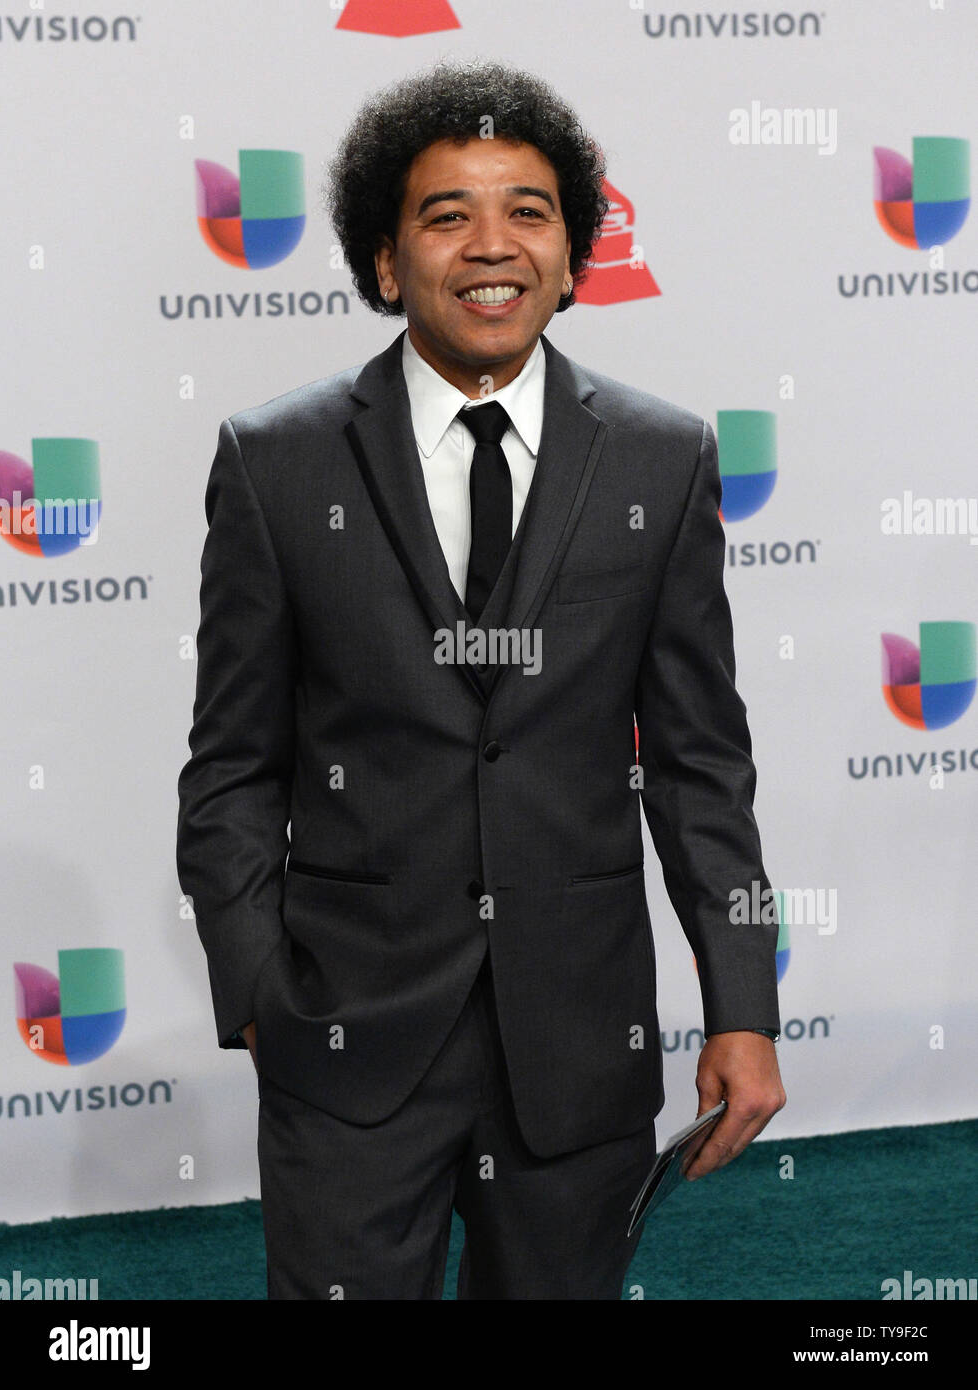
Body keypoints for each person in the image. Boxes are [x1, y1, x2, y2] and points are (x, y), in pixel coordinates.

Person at [176, 58, 786, 1301]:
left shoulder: (664, 459)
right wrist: (256, 992)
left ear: (573, 257)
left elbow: (699, 763)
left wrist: (744, 1003)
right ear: (386, 261)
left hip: (577, 1043)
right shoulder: (275, 461)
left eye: (529, 210)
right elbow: (233, 764)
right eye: (446, 214)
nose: (490, 245)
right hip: (345, 1043)